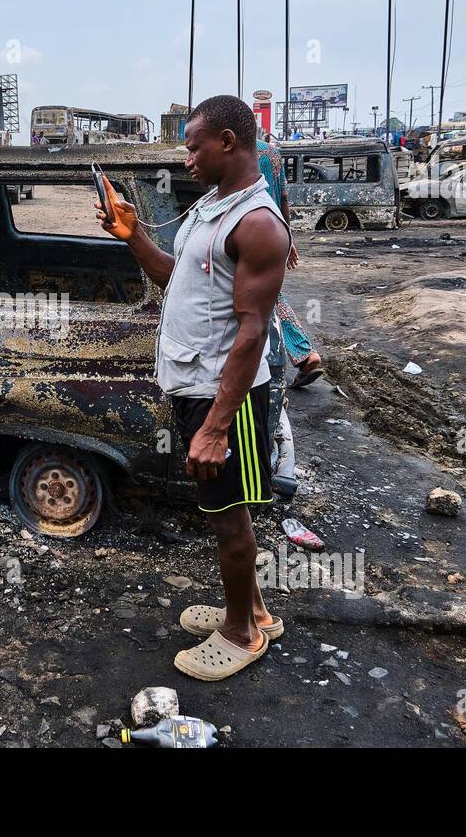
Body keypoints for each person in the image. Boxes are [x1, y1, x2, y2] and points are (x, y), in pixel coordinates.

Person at [97, 95, 290, 681]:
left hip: (224, 397)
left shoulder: (257, 224)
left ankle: (241, 633)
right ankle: (252, 607)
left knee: (229, 515)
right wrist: (132, 235)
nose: (186, 159)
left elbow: (253, 331)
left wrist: (216, 425)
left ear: (228, 143)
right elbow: (171, 277)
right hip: (196, 387)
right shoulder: (211, 207)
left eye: (193, 146)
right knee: (223, 511)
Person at [257, 138, 324, 386]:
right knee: (272, 293)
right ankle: (303, 354)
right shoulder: (271, 153)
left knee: (268, 294)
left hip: (251, 233)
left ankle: (302, 353)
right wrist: (287, 237)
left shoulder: (230, 152)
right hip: (274, 231)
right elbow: (283, 199)